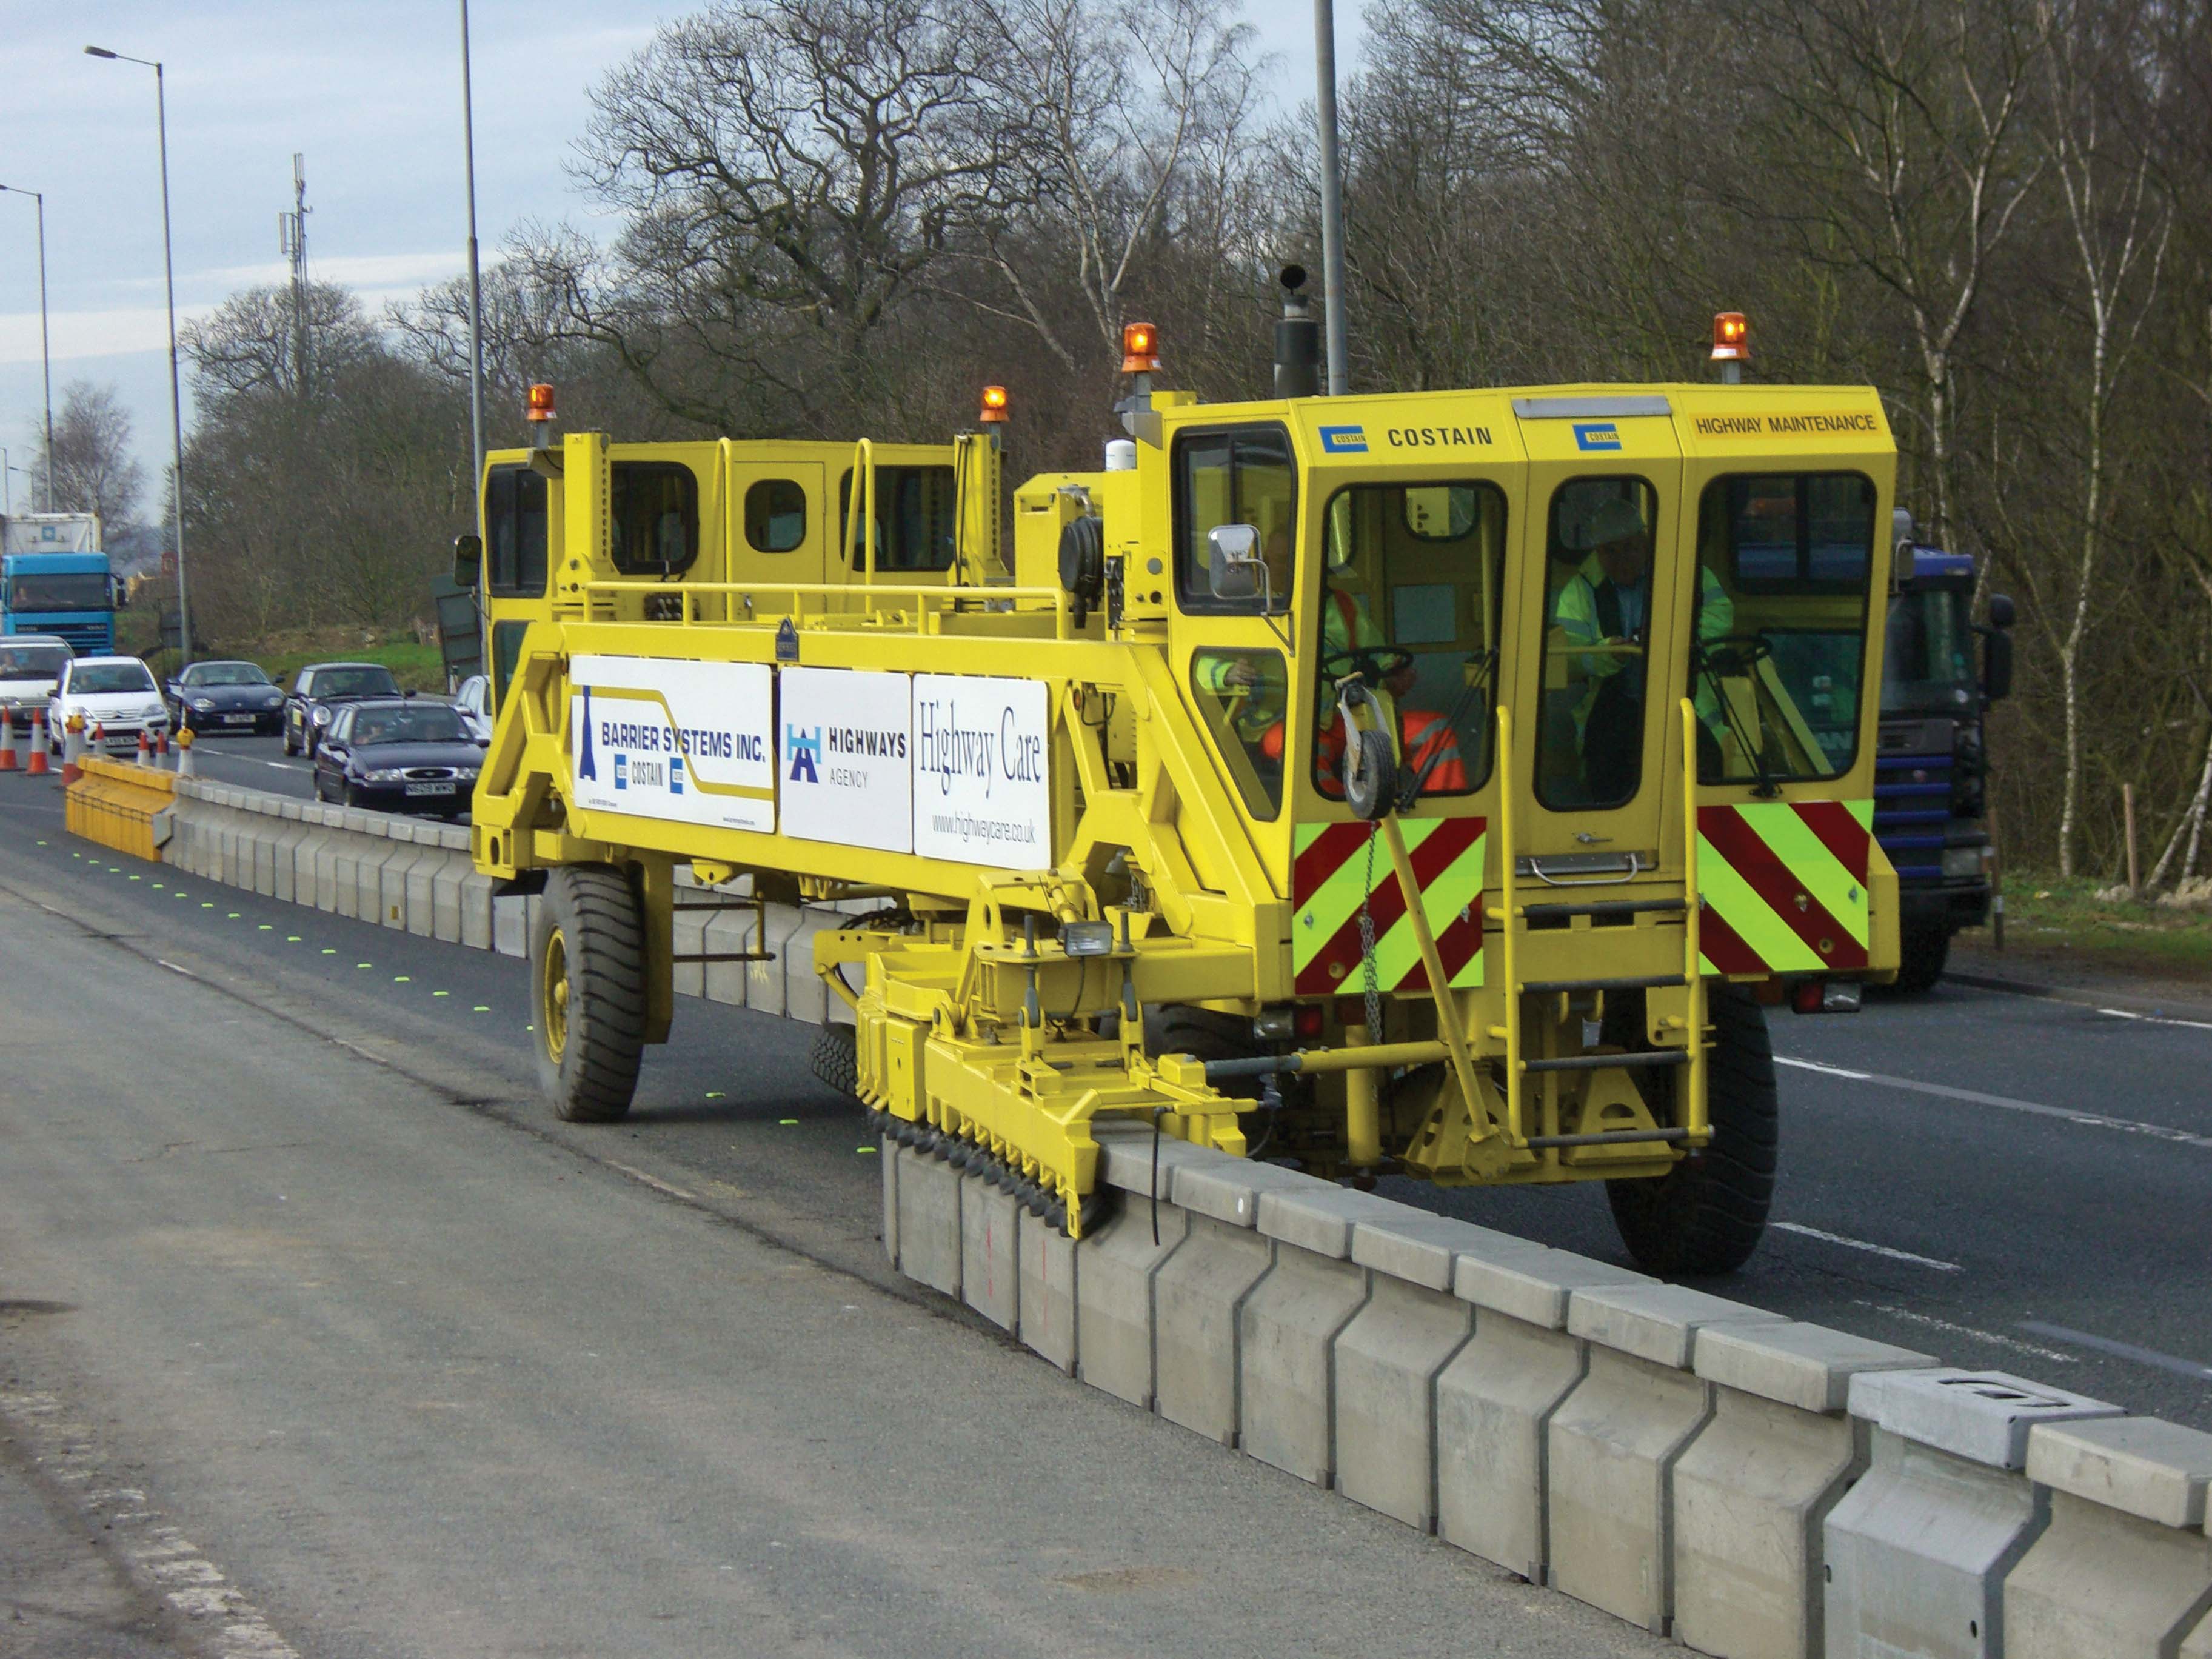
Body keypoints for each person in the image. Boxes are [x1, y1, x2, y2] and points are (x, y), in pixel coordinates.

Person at [1552, 498, 1734, 799]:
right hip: (1614, 707)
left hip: (1686, 704)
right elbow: (1569, 658)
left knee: (1699, 790)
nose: (1621, 558)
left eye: (1629, 548)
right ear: (1597, 552)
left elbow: (1720, 617)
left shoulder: (1687, 572)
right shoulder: (1579, 591)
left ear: (1646, 543)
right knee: (1608, 784)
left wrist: (1670, 638)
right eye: (1611, 551)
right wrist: (1606, 654)